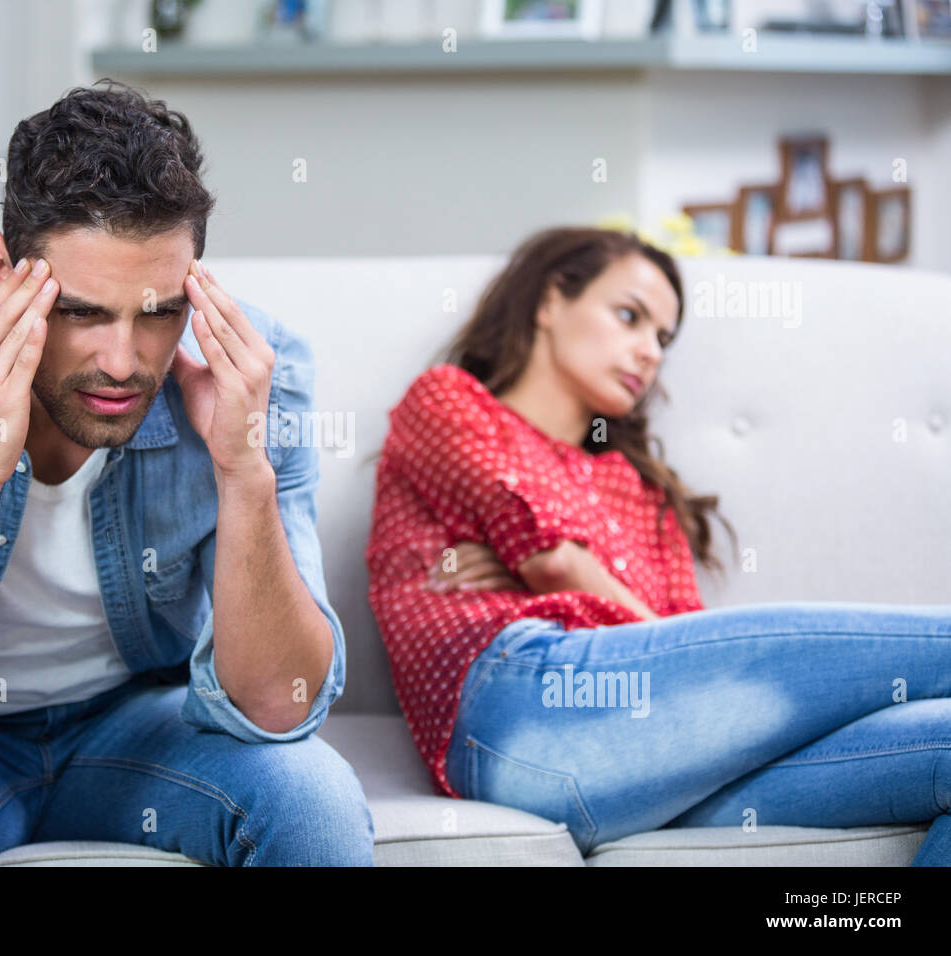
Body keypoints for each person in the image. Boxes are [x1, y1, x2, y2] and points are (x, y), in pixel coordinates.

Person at [0, 79, 374, 866]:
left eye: (159, 311)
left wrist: (243, 473)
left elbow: (277, 708)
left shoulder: (256, 377)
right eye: (81, 311)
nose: (122, 364)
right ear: (2, 266)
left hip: (139, 725)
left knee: (318, 804)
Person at [365, 226, 951, 865]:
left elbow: (682, 658)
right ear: (549, 301)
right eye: (629, 317)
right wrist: (647, 631)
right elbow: (552, 556)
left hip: (659, 764)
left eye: (662, 339)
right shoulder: (450, 400)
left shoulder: (638, 490)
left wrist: (662, 643)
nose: (648, 351)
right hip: (528, 714)